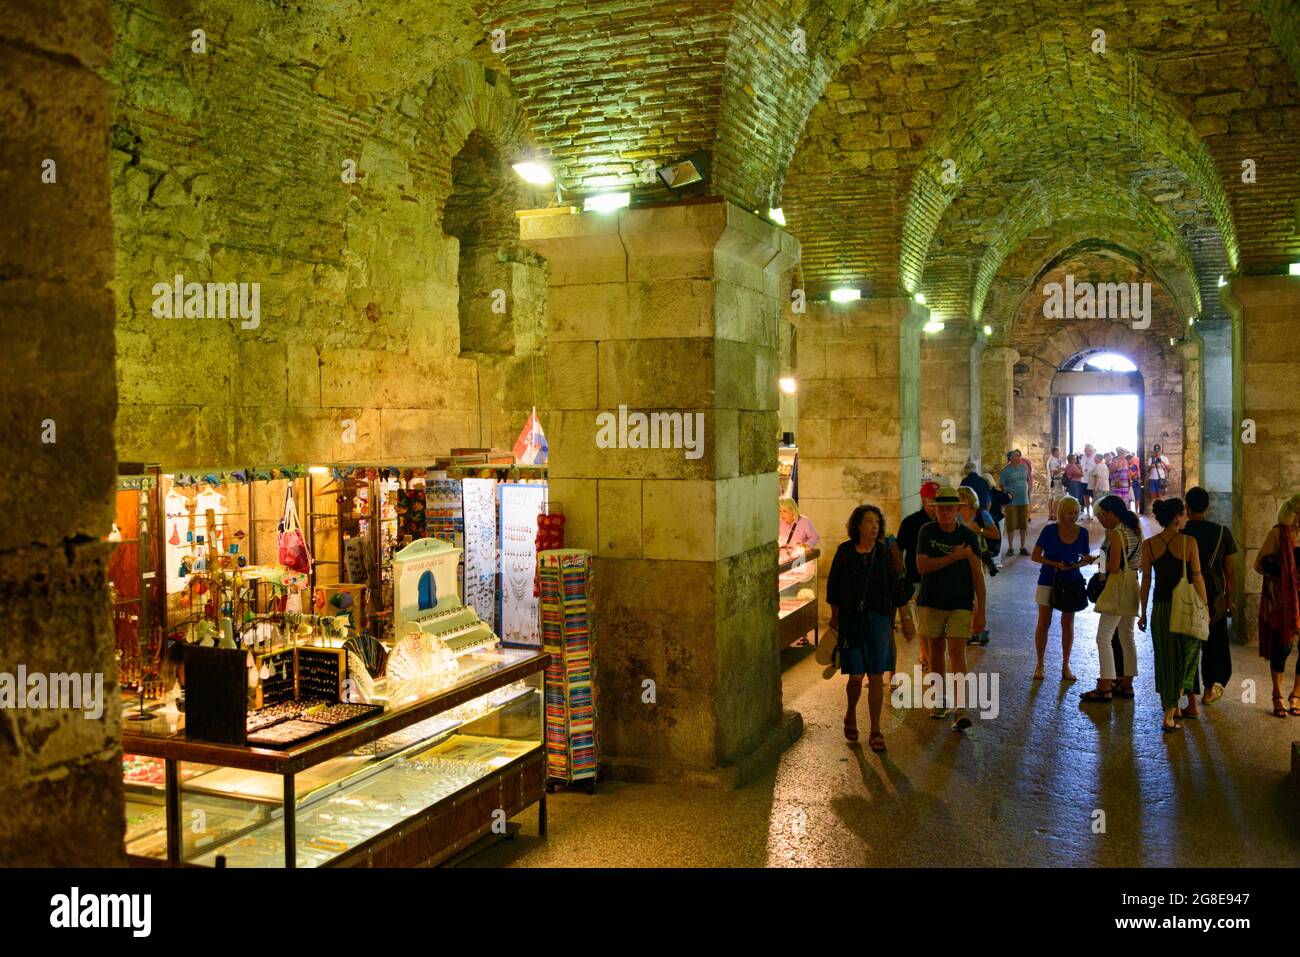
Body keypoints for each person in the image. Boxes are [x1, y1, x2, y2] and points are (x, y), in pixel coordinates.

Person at [826, 505, 905, 751]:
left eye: (876, 522)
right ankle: (850, 713)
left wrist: (906, 618)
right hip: (851, 620)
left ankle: (875, 729)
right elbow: (834, 586)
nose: (874, 526)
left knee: (876, 676)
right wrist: (835, 615)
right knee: (856, 677)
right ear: (858, 525)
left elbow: (895, 586)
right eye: (869, 521)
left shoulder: (883, 553)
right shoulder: (844, 552)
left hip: (878, 620)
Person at [915, 487, 986, 731]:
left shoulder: (968, 536)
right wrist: (954, 557)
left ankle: (960, 707)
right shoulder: (927, 531)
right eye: (940, 508)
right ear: (935, 510)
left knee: (957, 651)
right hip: (931, 600)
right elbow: (922, 566)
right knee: (935, 651)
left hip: (960, 602)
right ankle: (939, 698)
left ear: (958, 509)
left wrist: (982, 610)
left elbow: (977, 575)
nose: (945, 512)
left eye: (949, 508)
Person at [1138, 498, 1208, 733]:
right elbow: (1197, 577)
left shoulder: (1148, 545)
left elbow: (1146, 581)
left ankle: (1171, 707)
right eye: (1184, 514)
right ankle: (1169, 715)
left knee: (1165, 660)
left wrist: (1142, 612)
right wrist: (1205, 607)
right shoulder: (1189, 542)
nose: (1186, 517)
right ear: (1177, 517)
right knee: (1186, 659)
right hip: (1184, 608)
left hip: (1160, 608)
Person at [1080, 495, 1142, 702]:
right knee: (1127, 635)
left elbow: (1114, 566)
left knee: (1103, 637)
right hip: (1132, 586)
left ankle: (1105, 685)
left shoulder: (1116, 534)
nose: (1100, 520)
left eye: (1101, 516)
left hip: (1117, 588)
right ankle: (1127, 684)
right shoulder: (1133, 530)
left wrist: (1100, 564)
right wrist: (1098, 558)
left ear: (1111, 513)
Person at [1182, 486, 1236, 705]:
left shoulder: (1182, 534)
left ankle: (1191, 698)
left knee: (1190, 644)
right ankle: (1210, 691)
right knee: (1215, 645)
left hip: (1188, 596)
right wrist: (1230, 601)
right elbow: (1230, 573)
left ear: (1187, 507)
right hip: (1214, 598)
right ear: (1208, 506)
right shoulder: (1223, 533)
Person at [1031, 495, 1094, 682]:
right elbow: (1035, 556)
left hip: (1071, 580)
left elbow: (1084, 557)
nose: (1073, 516)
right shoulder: (1049, 531)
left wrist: (1083, 563)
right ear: (1061, 513)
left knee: (1068, 624)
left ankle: (1066, 664)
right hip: (1048, 579)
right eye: (1069, 513)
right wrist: (1053, 564)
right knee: (1044, 623)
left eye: (1076, 512)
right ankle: (1040, 664)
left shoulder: (1082, 533)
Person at [1254, 491, 1300, 718]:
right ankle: (1277, 693)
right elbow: (1258, 564)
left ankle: (1296, 694)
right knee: (1283, 646)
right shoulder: (1277, 534)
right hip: (1283, 599)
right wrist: (1282, 574)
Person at [896, 481, 941, 671]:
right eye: (933, 501)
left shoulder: (944, 522)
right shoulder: (911, 522)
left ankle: (932, 656)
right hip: (916, 578)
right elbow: (898, 548)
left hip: (940, 578)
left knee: (936, 618)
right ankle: (925, 655)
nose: (936, 506)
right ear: (924, 500)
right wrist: (901, 573)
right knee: (921, 620)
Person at [957, 487, 998, 648]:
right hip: (962, 558)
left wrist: (978, 529)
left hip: (978, 557)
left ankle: (978, 630)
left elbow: (995, 534)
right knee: (969, 596)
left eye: (963, 499)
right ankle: (976, 630)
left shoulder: (982, 514)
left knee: (973, 594)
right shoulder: (958, 515)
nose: (962, 502)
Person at [999, 450, 1031, 556]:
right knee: (1011, 525)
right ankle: (1011, 547)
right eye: (1017, 456)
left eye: (1019, 455)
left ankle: (1023, 547)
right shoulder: (1005, 471)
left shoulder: (1024, 467)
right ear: (1011, 458)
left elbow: (1027, 481)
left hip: (1023, 500)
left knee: (1024, 525)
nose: (1019, 457)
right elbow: (1002, 486)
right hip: (1011, 502)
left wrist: (1028, 493)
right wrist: (1007, 496)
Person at [1147, 445, 1171, 512]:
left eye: (1158, 451)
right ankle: (1153, 512)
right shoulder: (1151, 459)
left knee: (1160, 496)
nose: (1157, 453)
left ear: (1161, 450)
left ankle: (1161, 511)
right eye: (1156, 451)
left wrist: (1162, 462)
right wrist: (1151, 466)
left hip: (1161, 480)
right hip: (1152, 479)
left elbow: (1169, 469)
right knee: (1152, 497)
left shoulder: (1165, 458)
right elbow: (1148, 470)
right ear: (1154, 451)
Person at [1047, 446, 1065, 520]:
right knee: (1056, 498)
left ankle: (1050, 514)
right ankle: (1055, 515)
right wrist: (1062, 469)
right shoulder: (1054, 461)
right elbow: (1054, 472)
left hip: (1051, 481)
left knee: (1051, 497)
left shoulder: (1049, 460)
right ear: (1055, 452)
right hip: (1056, 481)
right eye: (1058, 452)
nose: (1059, 453)